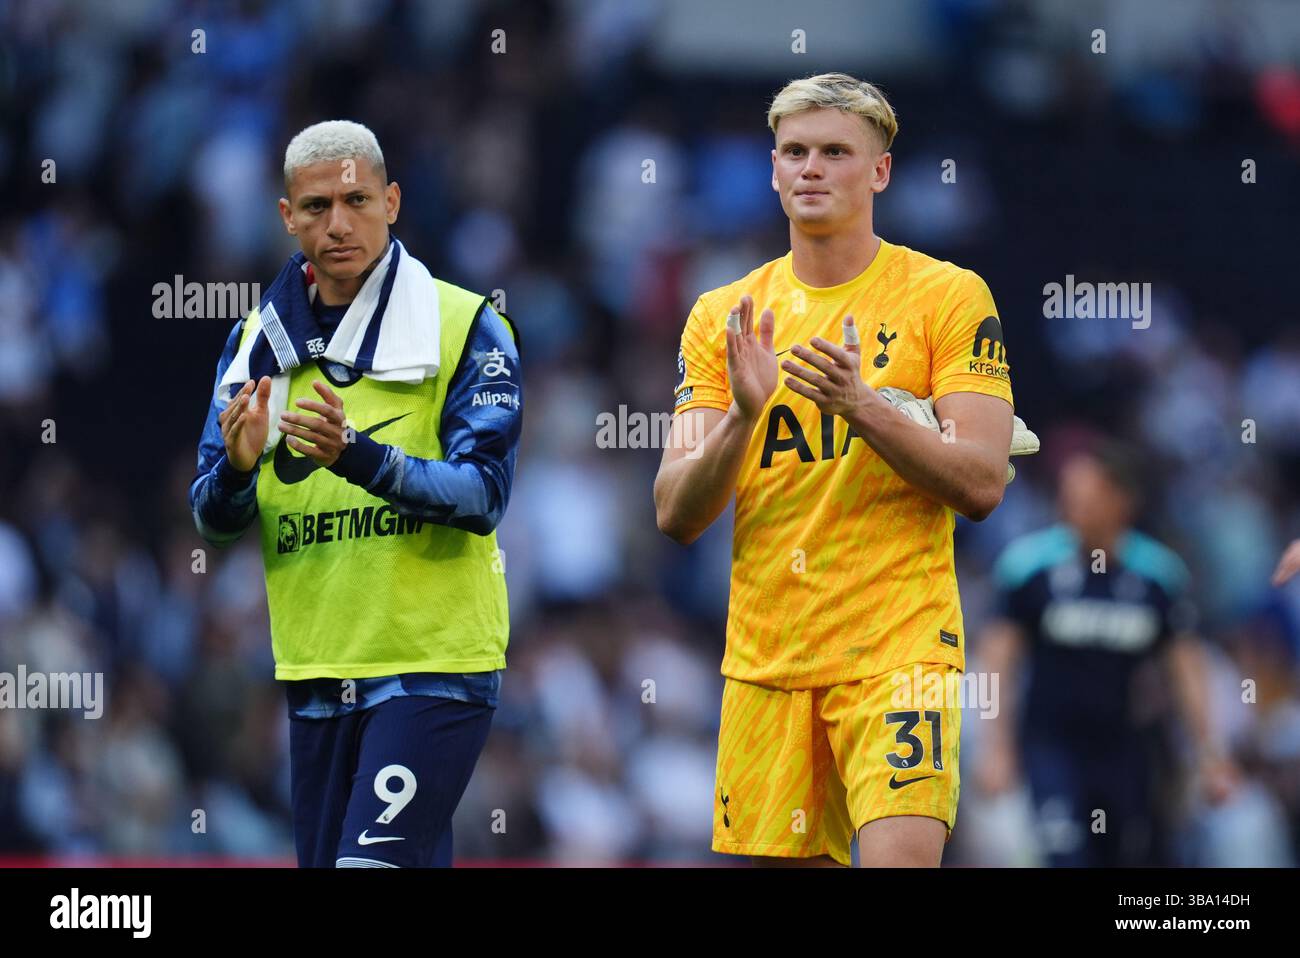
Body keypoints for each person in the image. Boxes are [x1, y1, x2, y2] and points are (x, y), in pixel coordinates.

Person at [654, 74, 1016, 867]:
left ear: (880, 171)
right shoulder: (724, 316)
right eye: (794, 152)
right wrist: (743, 418)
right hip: (770, 659)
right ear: (773, 169)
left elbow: (982, 484)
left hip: (899, 648)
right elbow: (675, 512)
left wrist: (862, 406)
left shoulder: (948, 297)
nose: (811, 168)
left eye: (834, 152)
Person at [189, 120, 522, 867]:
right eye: (316, 207)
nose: (337, 224)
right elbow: (211, 520)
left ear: (392, 202)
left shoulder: (465, 324)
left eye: (357, 200)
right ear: (287, 216)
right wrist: (237, 470)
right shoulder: (253, 344)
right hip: (316, 672)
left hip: (431, 668)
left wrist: (357, 456)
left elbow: (483, 495)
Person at [977, 442, 1238, 866]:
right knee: (1065, 855)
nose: (1073, 506)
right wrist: (995, 747)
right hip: (1051, 746)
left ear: (1122, 501)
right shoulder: (1028, 566)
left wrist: (1211, 755)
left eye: (1088, 495)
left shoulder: (1158, 575)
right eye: (1069, 495)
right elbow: (997, 662)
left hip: (1127, 752)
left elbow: (1187, 670)